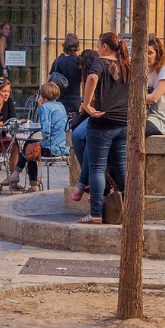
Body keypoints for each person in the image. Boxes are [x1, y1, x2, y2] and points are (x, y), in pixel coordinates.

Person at [72, 32, 130, 224]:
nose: (97, 48)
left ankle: (95, 213)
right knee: (122, 168)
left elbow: (91, 79)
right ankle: (129, 210)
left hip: (102, 121)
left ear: (105, 46)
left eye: (98, 44)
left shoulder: (100, 62)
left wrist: (86, 104)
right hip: (123, 122)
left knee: (97, 168)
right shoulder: (126, 64)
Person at [2, 81, 67, 192]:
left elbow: (46, 131)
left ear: (43, 95)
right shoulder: (60, 106)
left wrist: (41, 108)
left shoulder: (45, 108)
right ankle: (28, 183)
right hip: (62, 147)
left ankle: (17, 175)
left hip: (51, 148)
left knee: (31, 149)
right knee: (31, 147)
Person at [68, 48, 99, 177]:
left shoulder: (93, 75)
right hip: (94, 112)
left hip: (97, 113)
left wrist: (84, 105)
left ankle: (84, 175)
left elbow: (93, 98)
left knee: (77, 135)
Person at [49, 33, 83, 116]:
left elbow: (49, 80)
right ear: (77, 46)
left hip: (60, 100)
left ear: (65, 45)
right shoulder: (80, 62)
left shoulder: (58, 61)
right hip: (75, 100)